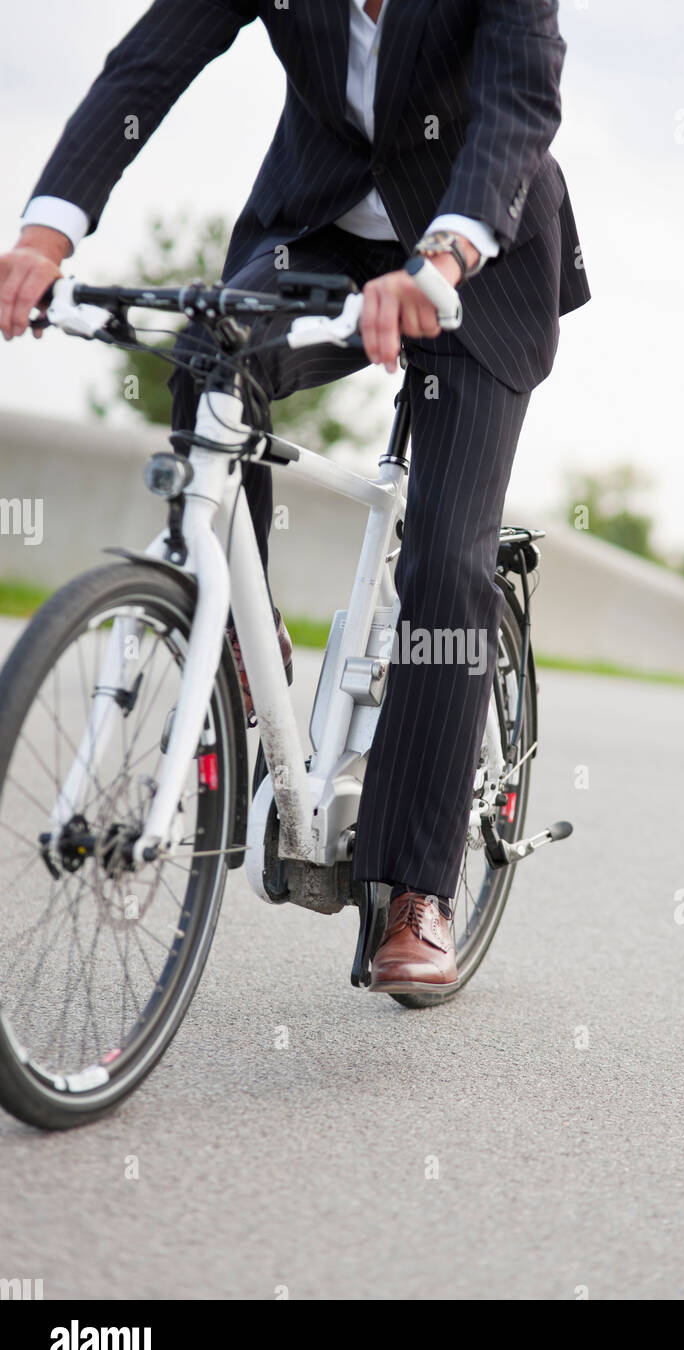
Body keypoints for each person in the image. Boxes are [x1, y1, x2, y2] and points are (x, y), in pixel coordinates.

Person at [0, 0, 589, 994]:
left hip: (476, 258)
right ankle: (241, 628)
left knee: (444, 557)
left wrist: (440, 257)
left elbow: (516, 105)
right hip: (312, 231)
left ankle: (413, 891)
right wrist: (46, 233)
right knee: (211, 358)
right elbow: (145, 72)